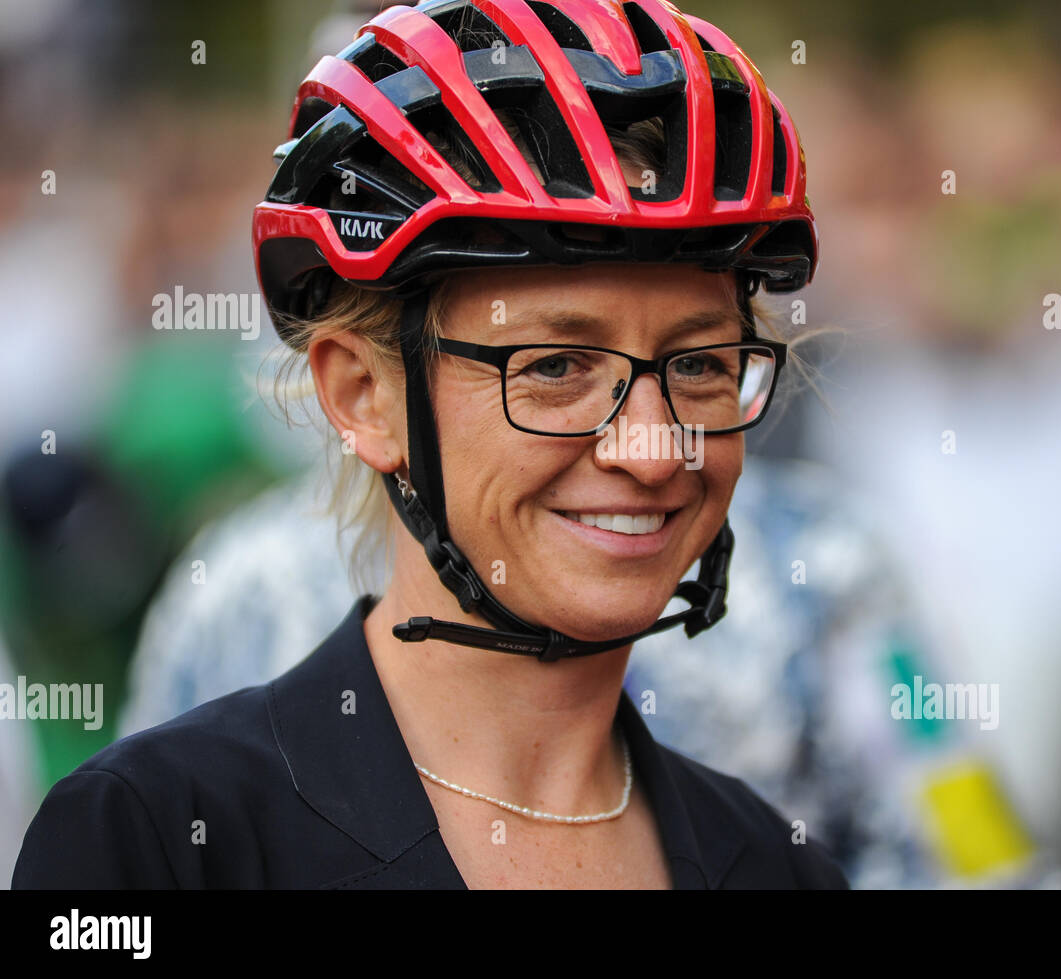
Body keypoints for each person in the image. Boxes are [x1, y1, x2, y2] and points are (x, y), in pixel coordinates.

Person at [13, 0, 846, 888]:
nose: (650, 448)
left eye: (701, 365)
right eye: (557, 364)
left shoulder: (779, 867)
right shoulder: (156, 837)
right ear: (362, 394)